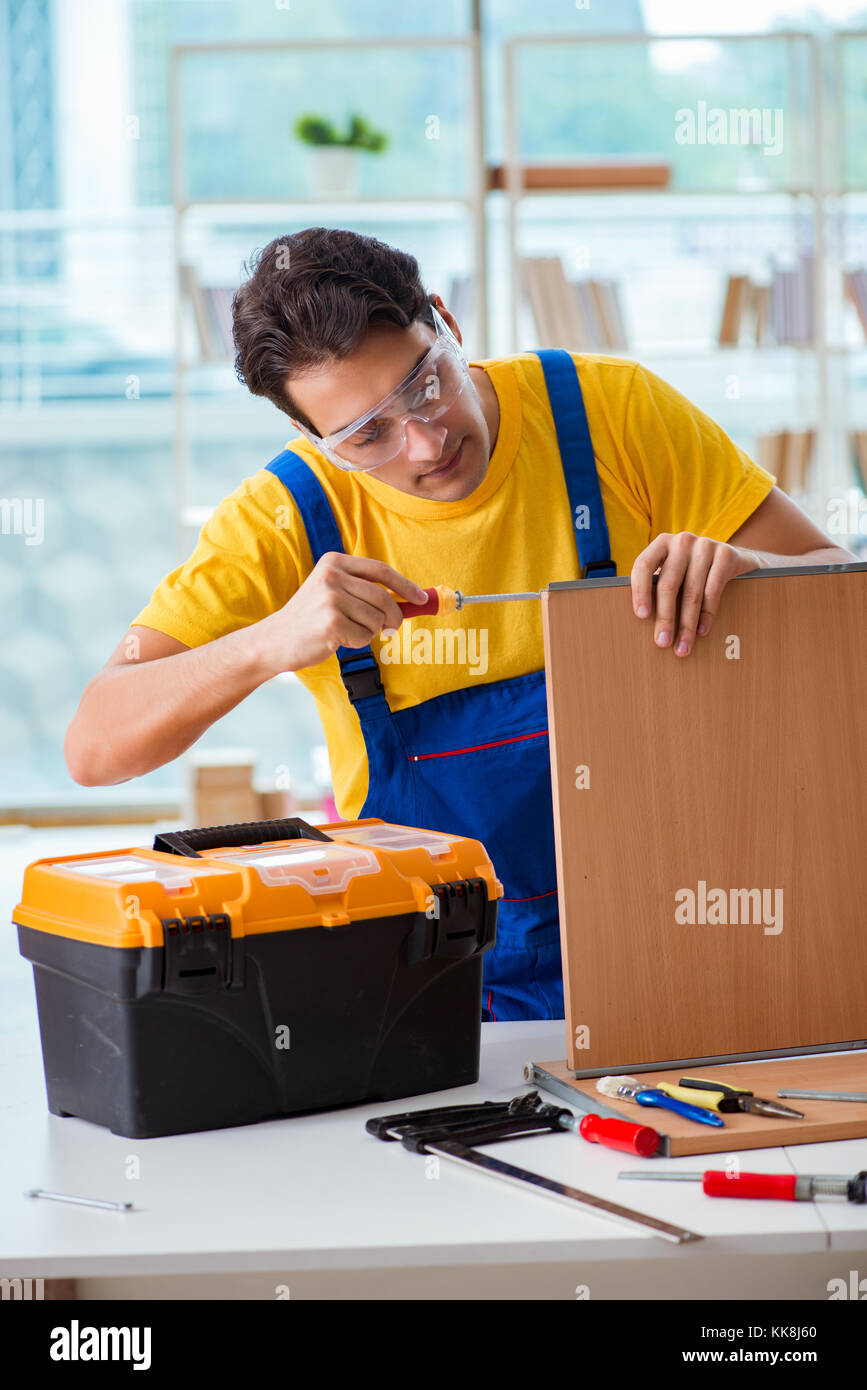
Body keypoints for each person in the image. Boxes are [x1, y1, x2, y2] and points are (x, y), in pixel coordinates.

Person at [64, 227, 856, 1021]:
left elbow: (835, 593)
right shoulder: (282, 521)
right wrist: (270, 642)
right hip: (437, 989)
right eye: (365, 435)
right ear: (313, 440)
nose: (426, 441)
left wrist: (753, 574)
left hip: (686, 946)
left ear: (445, 321)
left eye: (424, 383)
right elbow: (96, 746)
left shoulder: (611, 411)